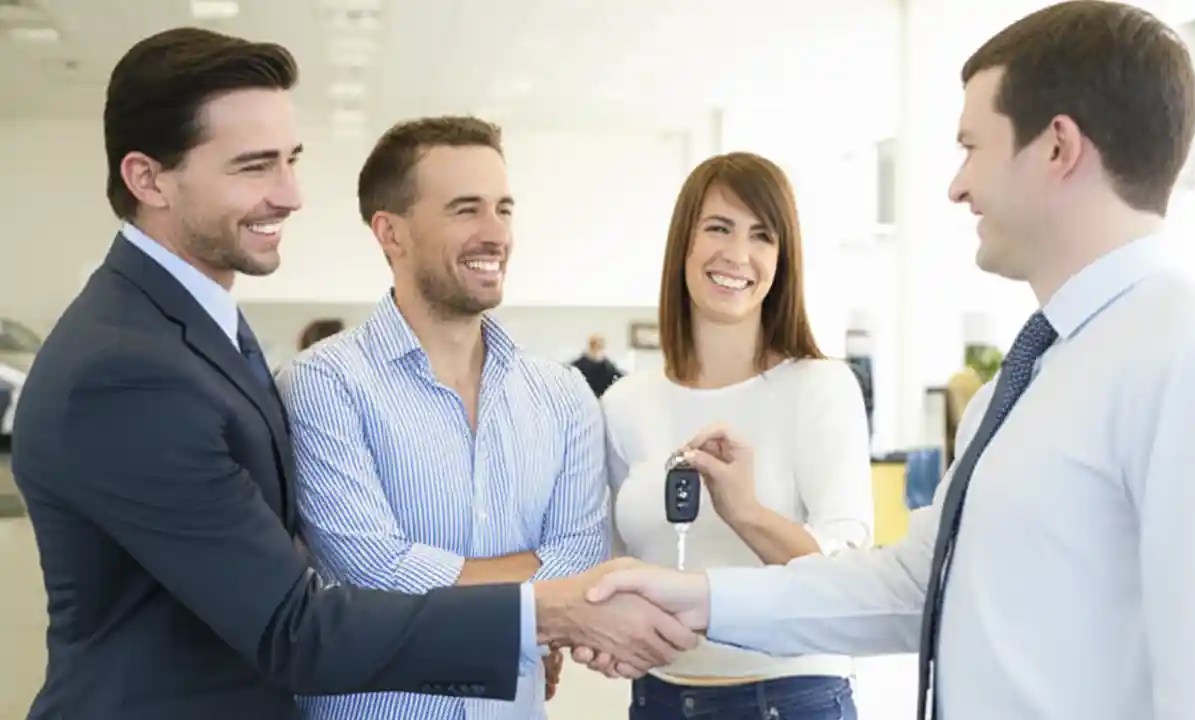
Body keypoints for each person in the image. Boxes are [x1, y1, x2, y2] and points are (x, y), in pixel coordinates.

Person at [580, 3, 1195, 719]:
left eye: (972, 147)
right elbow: (914, 587)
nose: (956, 185)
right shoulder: (1035, 374)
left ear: (1057, 148)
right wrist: (693, 596)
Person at [10, 27, 694, 720]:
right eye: (254, 166)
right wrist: (548, 610)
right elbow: (296, 625)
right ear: (147, 178)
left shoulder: (194, 328)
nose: (291, 195)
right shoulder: (127, 368)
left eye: (291, 160)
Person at [277, 116, 611, 720]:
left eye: (504, 209)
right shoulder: (323, 384)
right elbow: (375, 572)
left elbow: (582, 558)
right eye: (465, 210)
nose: (495, 233)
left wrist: (464, 588)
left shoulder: (563, 396)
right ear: (391, 234)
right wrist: (537, 594)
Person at [596, 152, 874, 719]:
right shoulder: (624, 403)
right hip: (662, 698)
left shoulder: (820, 387)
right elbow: (611, 563)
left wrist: (745, 511)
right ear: (685, 246)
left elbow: (846, 581)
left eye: (761, 236)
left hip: (792, 697)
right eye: (718, 228)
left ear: (782, 259)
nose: (738, 255)